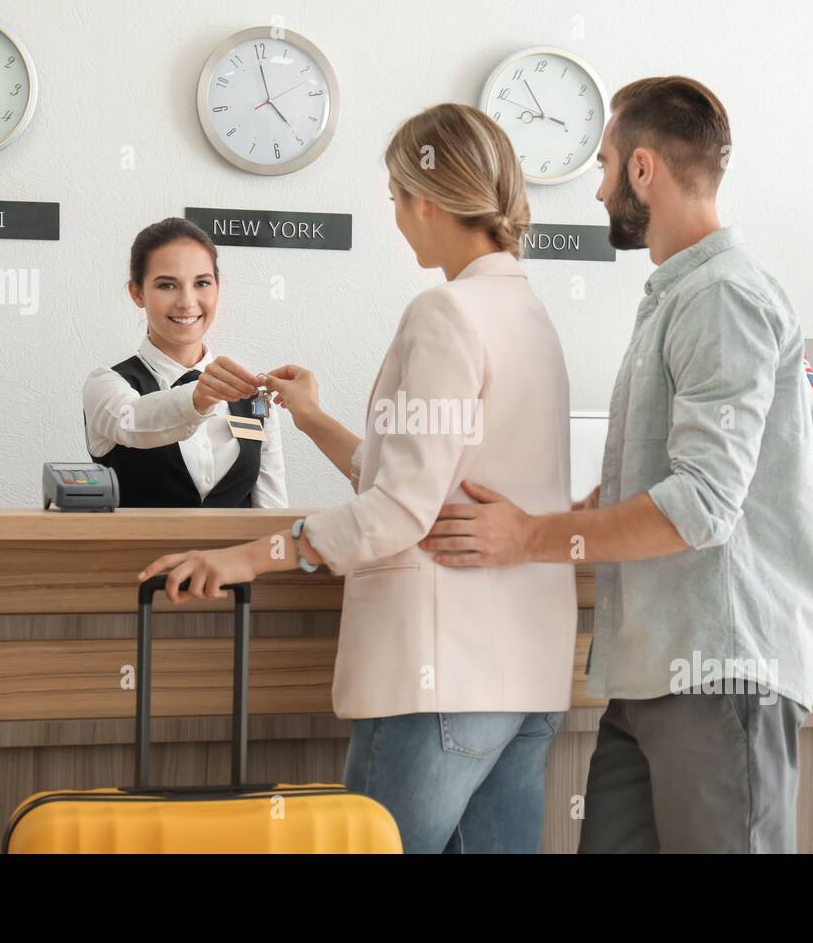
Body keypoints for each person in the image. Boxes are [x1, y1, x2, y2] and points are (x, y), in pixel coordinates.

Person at [138, 103, 577, 853]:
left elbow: (397, 512)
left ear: (426, 199)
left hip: (437, 678)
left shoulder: (444, 311)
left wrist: (244, 559)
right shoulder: (528, 310)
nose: (397, 216)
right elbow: (428, 477)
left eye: (396, 197)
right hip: (525, 676)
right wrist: (312, 417)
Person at [419, 76, 813, 853]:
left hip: (719, 672)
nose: (601, 187)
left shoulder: (722, 297)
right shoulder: (678, 297)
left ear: (644, 170)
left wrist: (529, 537)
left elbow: (705, 504)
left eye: (605, 164)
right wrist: (582, 512)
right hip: (652, 673)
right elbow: (684, 467)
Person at [83, 217, 287, 508]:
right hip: (137, 554)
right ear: (137, 293)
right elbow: (134, 422)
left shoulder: (255, 398)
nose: (187, 302)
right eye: (167, 285)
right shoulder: (105, 385)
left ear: (217, 287)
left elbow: (271, 514)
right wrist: (198, 397)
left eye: (202, 283)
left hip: (237, 555)